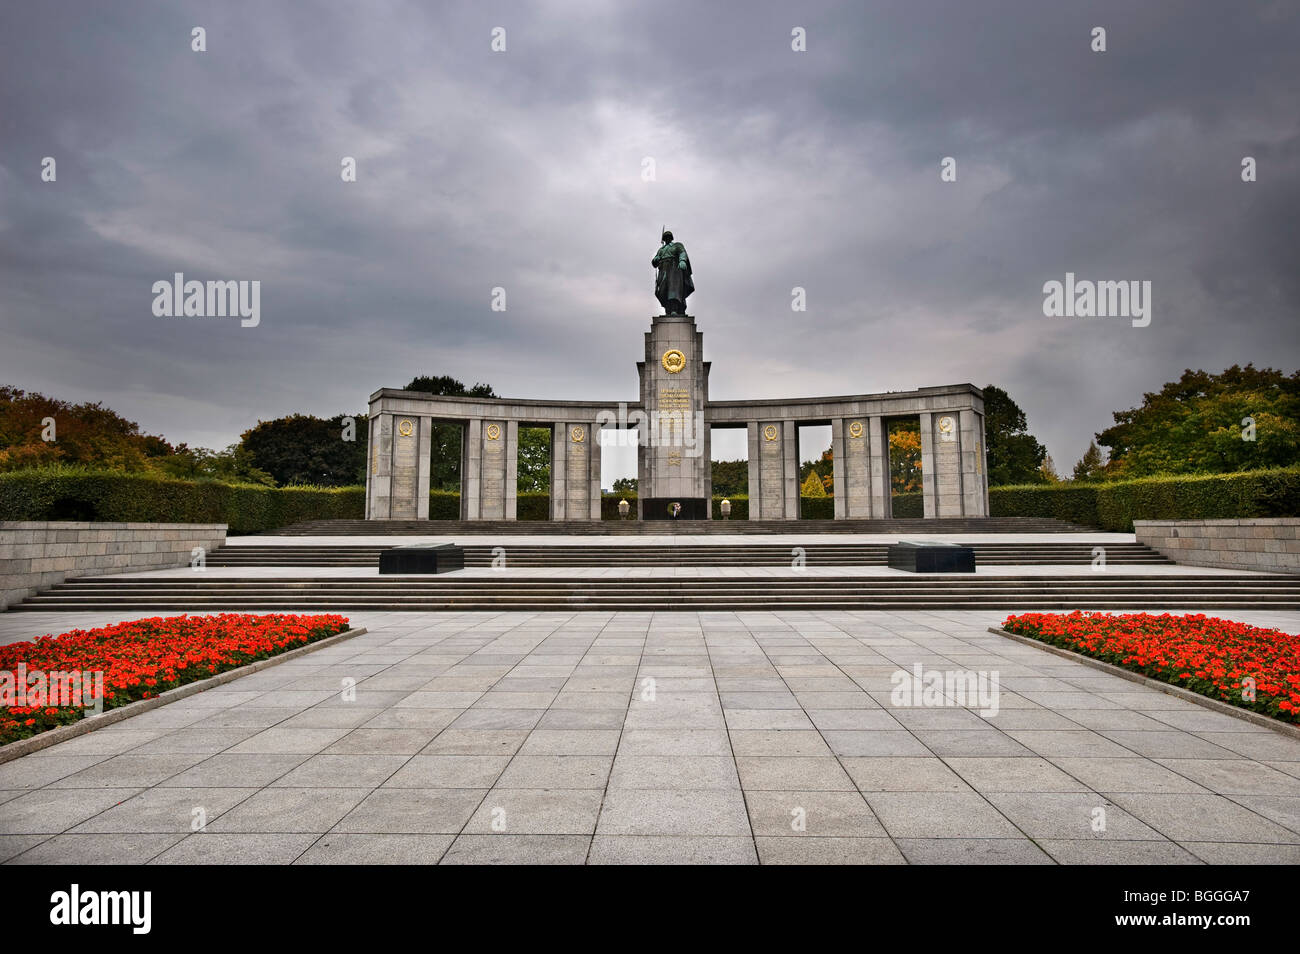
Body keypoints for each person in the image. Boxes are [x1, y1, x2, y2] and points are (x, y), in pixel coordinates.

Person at [652, 231, 694, 315]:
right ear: (664, 239)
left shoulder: (677, 245)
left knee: (673, 289)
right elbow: (654, 263)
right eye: (666, 237)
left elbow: (682, 253)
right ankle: (668, 309)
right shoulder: (661, 250)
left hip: (674, 269)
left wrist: (682, 261)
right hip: (663, 270)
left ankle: (674, 309)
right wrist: (655, 259)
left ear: (671, 238)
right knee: (663, 290)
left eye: (669, 237)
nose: (667, 238)